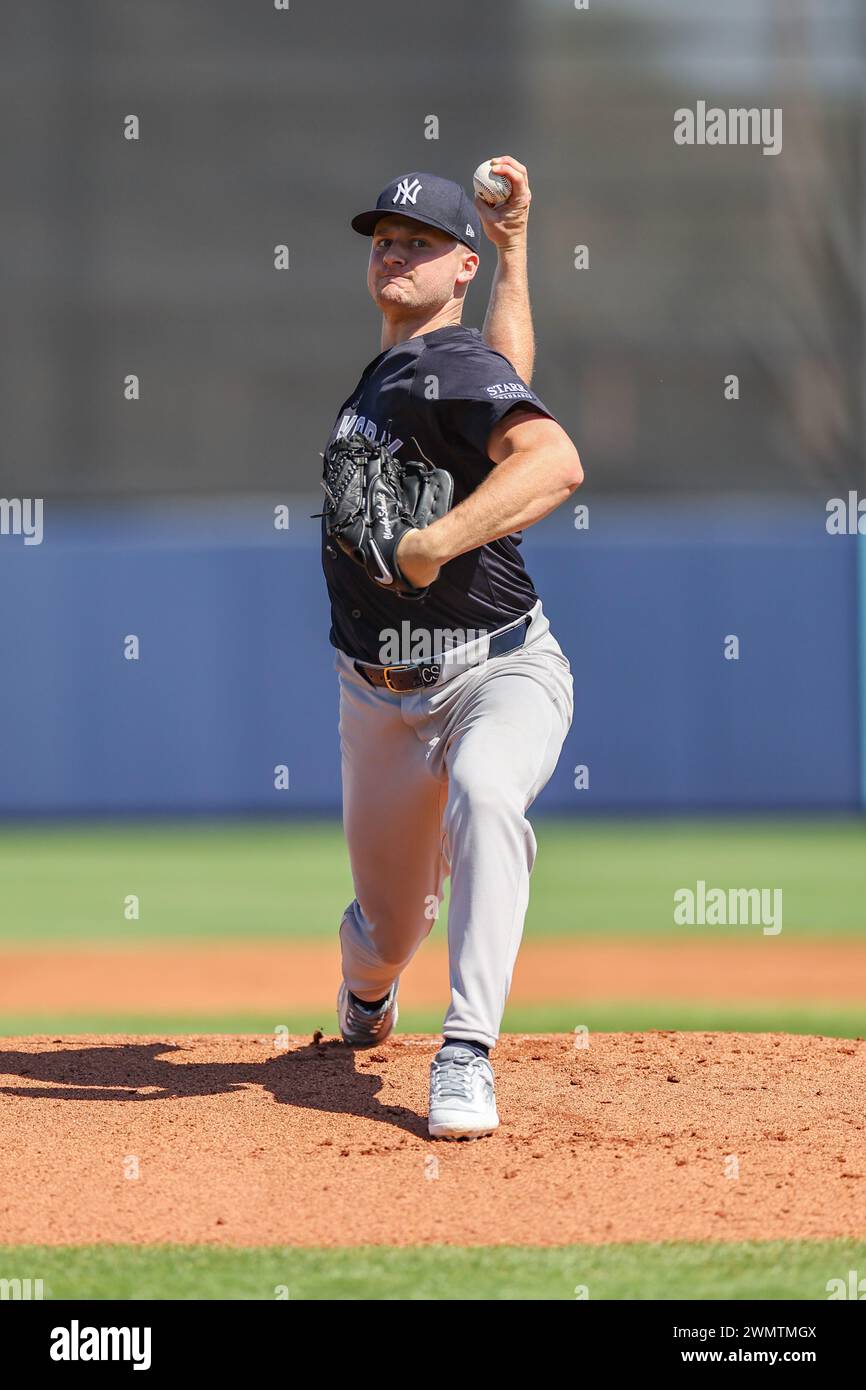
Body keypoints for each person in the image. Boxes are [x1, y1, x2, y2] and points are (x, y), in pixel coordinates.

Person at [322, 158, 583, 1138]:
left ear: (455, 266)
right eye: (383, 238)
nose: (392, 251)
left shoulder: (445, 363)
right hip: (376, 696)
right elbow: (502, 382)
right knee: (384, 929)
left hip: (498, 669)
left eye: (418, 241)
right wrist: (516, 257)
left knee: (484, 792)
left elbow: (552, 456)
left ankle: (465, 1050)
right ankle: (367, 990)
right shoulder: (400, 368)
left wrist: (434, 541)